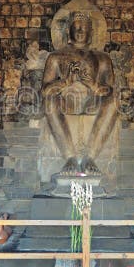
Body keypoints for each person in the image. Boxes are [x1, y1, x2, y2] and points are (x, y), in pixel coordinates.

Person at [41, 11, 117, 176]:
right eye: (77, 27)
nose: (81, 31)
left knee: (112, 101)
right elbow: (45, 90)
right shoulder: (56, 57)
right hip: (66, 102)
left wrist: (93, 84)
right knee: (49, 101)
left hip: (92, 102)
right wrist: (65, 82)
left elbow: (110, 90)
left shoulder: (102, 58)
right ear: (68, 31)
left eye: (85, 28)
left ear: (91, 32)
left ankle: (90, 157)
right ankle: (70, 157)